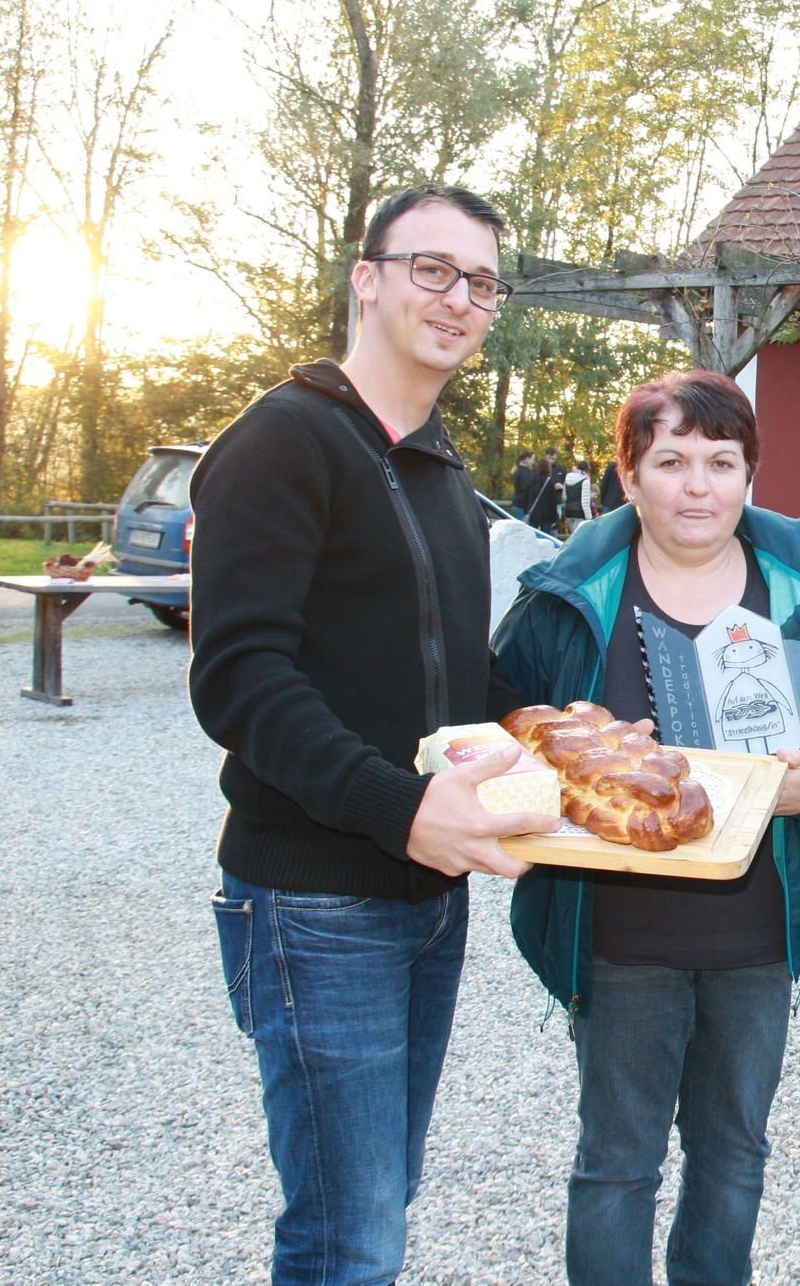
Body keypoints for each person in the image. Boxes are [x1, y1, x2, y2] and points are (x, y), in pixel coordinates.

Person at [192, 184, 559, 1284]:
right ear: (368, 277)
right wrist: (403, 812)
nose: (457, 299)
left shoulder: (440, 466)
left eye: (482, 282)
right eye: (431, 269)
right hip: (312, 899)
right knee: (348, 1235)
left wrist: (526, 719)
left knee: (378, 1202)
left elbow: (447, 663)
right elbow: (240, 681)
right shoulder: (282, 441)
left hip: (422, 895)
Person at [493, 371, 800, 1286]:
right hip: (620, 938)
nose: (698, 485)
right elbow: (497, 741)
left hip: (757, 935)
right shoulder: (569, 596)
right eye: (671, 461)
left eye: (722, 461)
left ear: (751, 473)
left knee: (732, 1159)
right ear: (630, 475)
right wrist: (555, 788)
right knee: (617, 1166)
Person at [528, 447, 565, 530]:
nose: (551, 461)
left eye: (553, 459)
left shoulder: (561, 469)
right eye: (549, 458)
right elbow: (552, 500)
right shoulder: (540, 478)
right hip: (544, 510)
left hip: (540, 509)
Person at [564, 458, 596, 525]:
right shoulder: (585, 481)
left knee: (572, 534)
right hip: (579, 513)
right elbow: (585, 502)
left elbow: (564, 497)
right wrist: (589, 518)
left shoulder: (567, 479)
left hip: (568, 511)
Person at [513, 448, 538, 516]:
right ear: (527, 459)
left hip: (518, 502)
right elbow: (526, 488)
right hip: (522, 504)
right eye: (532, 459)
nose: (533, 462)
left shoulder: (519, 469)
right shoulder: (524, 472)